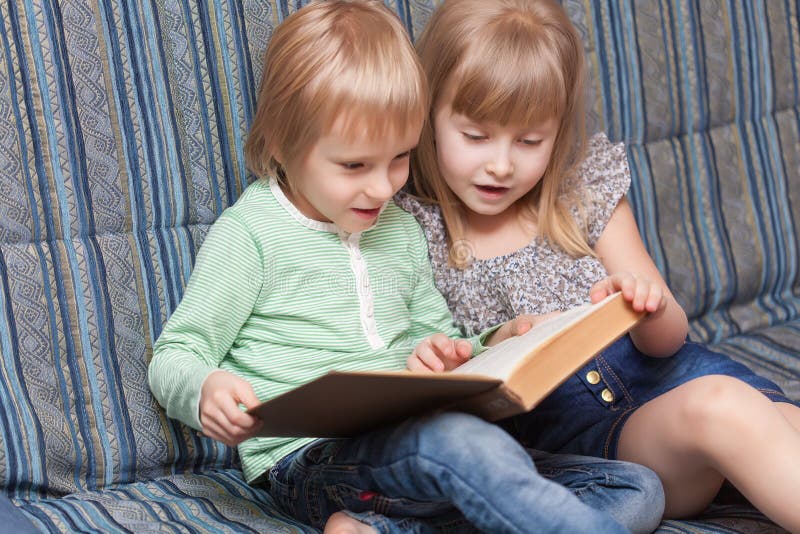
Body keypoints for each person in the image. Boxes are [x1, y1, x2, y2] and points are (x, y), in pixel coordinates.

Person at [148, 1, 666, 533]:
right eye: (354, 166)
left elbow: (436, 339)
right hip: (311, 459)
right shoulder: (252, 234)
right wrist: (206, 388)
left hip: (421, 452)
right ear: (282, 143)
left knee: (635, 487)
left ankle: (378, 529)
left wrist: (483, 345)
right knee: (460, 446)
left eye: (400, 157)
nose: (383, 187)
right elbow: (176, 353)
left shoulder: (399, 229)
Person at [397, 0, 800, 530]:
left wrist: (643, 305)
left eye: (529, 141)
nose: (500, 164)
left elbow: (670, 340)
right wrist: (498, 344)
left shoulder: (581, 190)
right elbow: (431, 375)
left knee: (770, 416)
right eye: (475, 136)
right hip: (605, 433)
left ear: (558, 130)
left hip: (679, 373)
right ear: (429, 118)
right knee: (720, 407)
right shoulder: (412, 227)